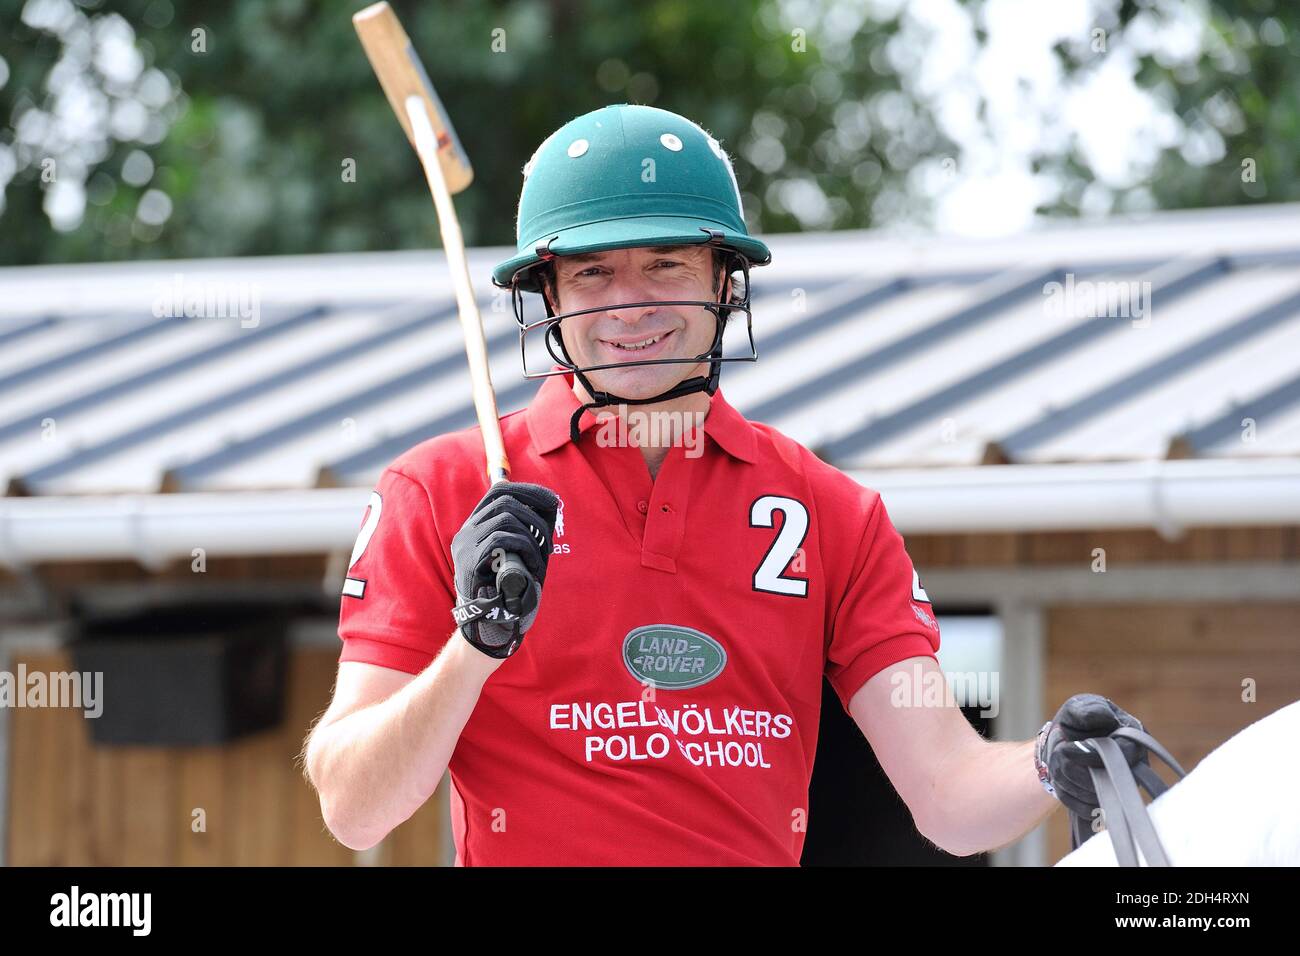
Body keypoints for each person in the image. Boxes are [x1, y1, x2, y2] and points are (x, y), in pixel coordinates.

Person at [305, 104, 1145, 865]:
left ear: (724, 284)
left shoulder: (832, 513)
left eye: (667, 264)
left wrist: (1046, 761)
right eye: (592, 274)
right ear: (547, 295)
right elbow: (354, 808)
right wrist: (474, 647)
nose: (629, 306)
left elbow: (950, 797)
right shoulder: (442, 490)